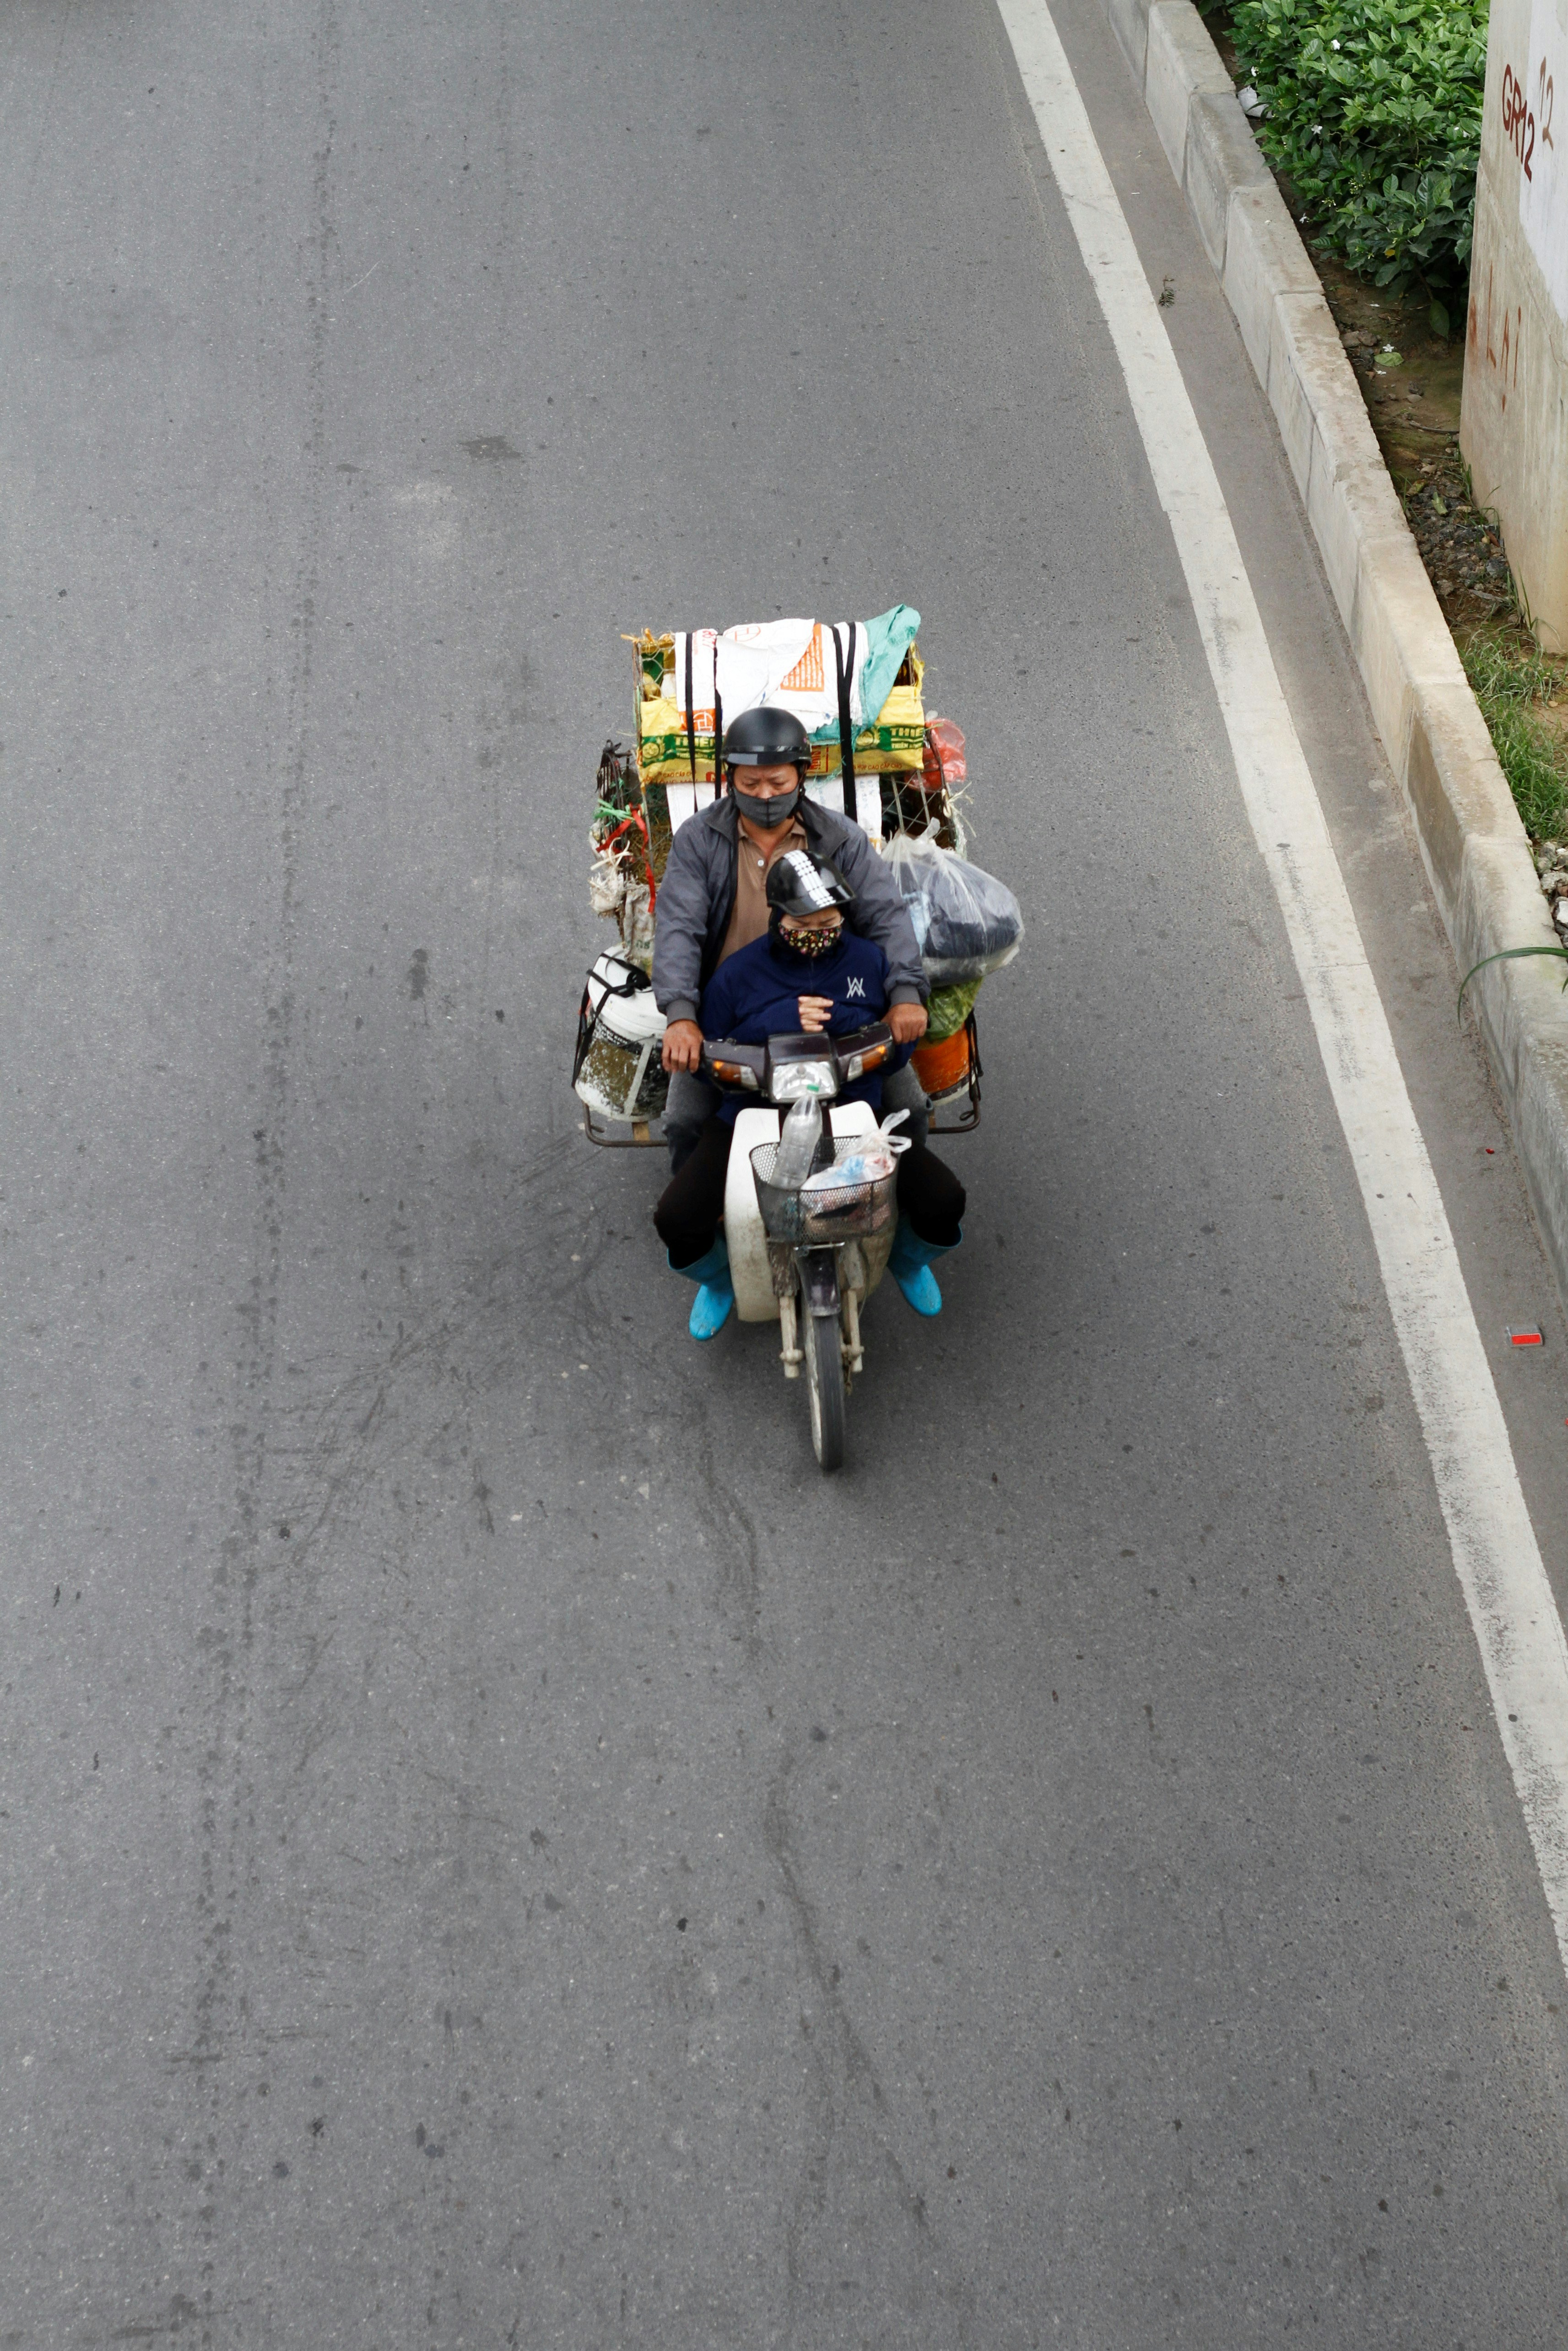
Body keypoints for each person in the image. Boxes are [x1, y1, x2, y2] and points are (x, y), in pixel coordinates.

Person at [654, 849, 966, 1338]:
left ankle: (907, 1260)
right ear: (779, 916)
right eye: (805, 920)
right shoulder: (738, 975)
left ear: (845, 912)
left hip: (856, 1109)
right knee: (677, 1219)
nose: (819, 928)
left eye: (830, 917)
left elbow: (896, 1055)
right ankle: (720, 1280)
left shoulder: (870, 961)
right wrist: (779, 1021)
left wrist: (868, 1026)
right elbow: (707, 1056)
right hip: (751, 1115)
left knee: (945, 1201)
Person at [651, 705, 931, 1171]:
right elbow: (679, 926)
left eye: (778, 784)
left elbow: (886, 915)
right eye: (750, 784)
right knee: (684, 1121)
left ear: (803, 775)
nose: (765, 795)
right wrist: (682, 1015)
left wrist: (904, 993)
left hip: (836, 1011)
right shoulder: (698, 840)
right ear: (730, 778)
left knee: (911, 1112)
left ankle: (891, 1211)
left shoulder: (839, 838)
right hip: (734, 1013)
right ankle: (711, 1222)